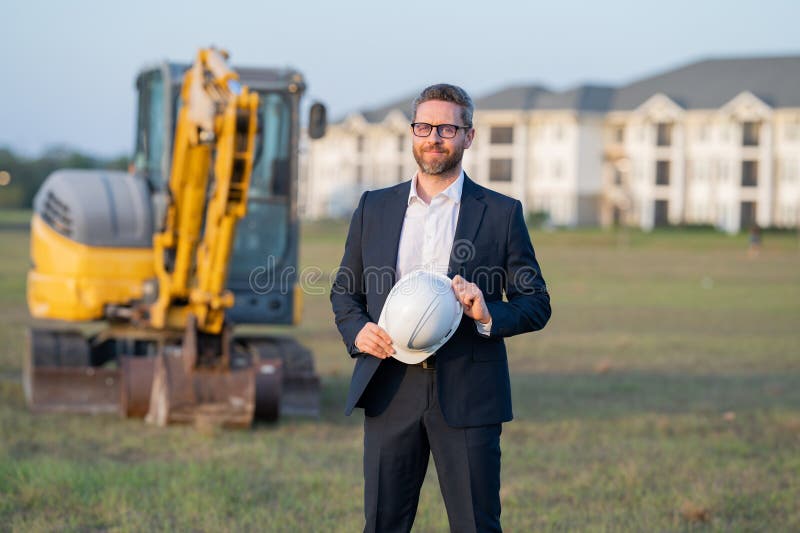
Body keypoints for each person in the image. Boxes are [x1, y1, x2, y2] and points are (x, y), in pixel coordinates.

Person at [330, 84, 551, 533]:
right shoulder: (374, 206)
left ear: (469, 136)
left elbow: (536, 303)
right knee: (383, 524)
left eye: (447, 128)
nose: (434, 137)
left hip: (469, 392)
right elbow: (344, 292)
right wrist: (357, 331)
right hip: (389, 386)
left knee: (476, 526)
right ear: (412, 132)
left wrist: (488, 314)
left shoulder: (502, 213)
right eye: (424, 127)